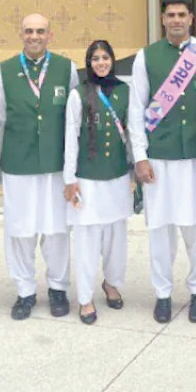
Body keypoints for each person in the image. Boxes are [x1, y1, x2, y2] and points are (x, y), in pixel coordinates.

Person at [128, 0, 196, 324]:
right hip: (160, 159)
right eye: (171, 15)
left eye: (182, 14)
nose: (177, 20)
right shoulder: (146, 57)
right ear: (163, 19)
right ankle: (163, 294)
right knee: (161, 230)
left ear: (191, 18)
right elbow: (136, 109)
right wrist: (139, 156)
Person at [0, 13, 79, 320]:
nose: (34, 36)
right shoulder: (3, 71)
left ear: (50, 35)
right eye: (29, 31)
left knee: (57, 229)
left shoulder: (66, 68)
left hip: (56, 163)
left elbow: (73, 115)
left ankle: (57, 289)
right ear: (21, 34)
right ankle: (25, 291)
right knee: (20, 230)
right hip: (19, 162)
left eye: (40, 31)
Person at [63, 40, 132, 325]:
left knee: (116, 236)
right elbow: (71, 138)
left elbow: (132, 133)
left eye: (106, 58)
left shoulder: (125, 91)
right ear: (88, 63)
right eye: (95, 59)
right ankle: (85, 297)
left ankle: (112, 283)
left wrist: (135, 170)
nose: (101, 63)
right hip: (87, 177)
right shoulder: (79, 94)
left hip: (117, 175)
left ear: (113, 60)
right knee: (87, 239)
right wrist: (70, 179)